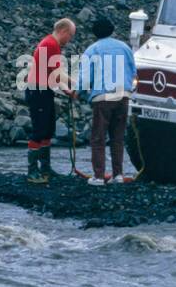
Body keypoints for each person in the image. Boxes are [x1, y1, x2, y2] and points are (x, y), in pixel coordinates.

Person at [76, 16, 135, 185]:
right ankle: (118, 175)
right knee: (118, 137)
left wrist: (78, 93)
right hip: (123, 95)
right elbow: (133, 71)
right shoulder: (125, 47)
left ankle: (99, 176)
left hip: (103, 97)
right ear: (112, 29)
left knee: (98, 138)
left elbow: (85, 79)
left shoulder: (92, 50)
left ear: (95, 33)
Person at [24, 18, 76, 184]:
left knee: (47, 130)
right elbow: (58, 74)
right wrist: (75, 84)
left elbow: (54, 74)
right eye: (70, 35)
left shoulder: (50, 44)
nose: (70, 39)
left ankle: (45, 169)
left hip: (44, 90)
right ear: (63, 31)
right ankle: (32, 171)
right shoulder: (51, 45)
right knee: (39, 130)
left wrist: (67, 89)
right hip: (38, 90)